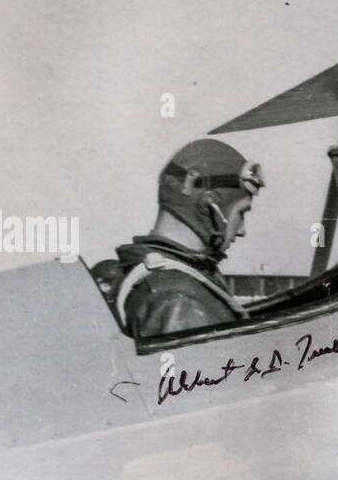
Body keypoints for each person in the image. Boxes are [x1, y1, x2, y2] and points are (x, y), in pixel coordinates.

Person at [93, 139, 265, 338]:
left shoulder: (147, 277)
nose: (242, 230)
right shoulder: (180, 302)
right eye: (241, 213)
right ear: (210, 205)